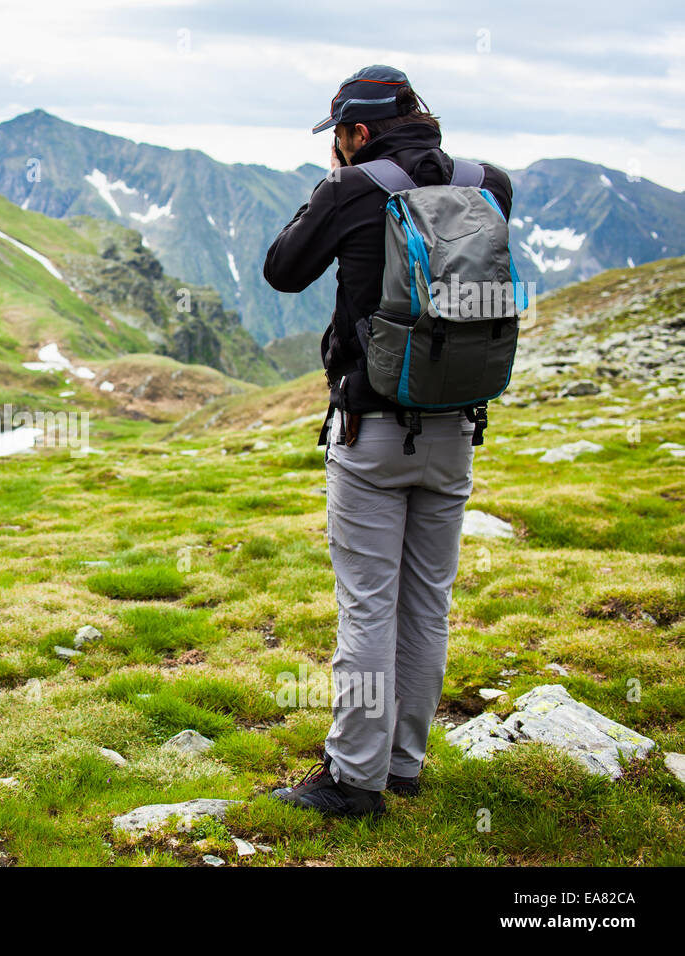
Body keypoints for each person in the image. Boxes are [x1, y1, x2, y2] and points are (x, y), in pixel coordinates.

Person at [261, 65, 514, 818]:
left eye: (339, 135)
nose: (338, 146)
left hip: (372, 430)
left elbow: (282, 270)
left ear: (358, 132)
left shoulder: (351, 188)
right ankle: (404, 763)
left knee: (367, 606)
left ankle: (354, 780)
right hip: (457, 425)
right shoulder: (489, 182)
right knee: (426, 603)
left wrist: (335, 184)